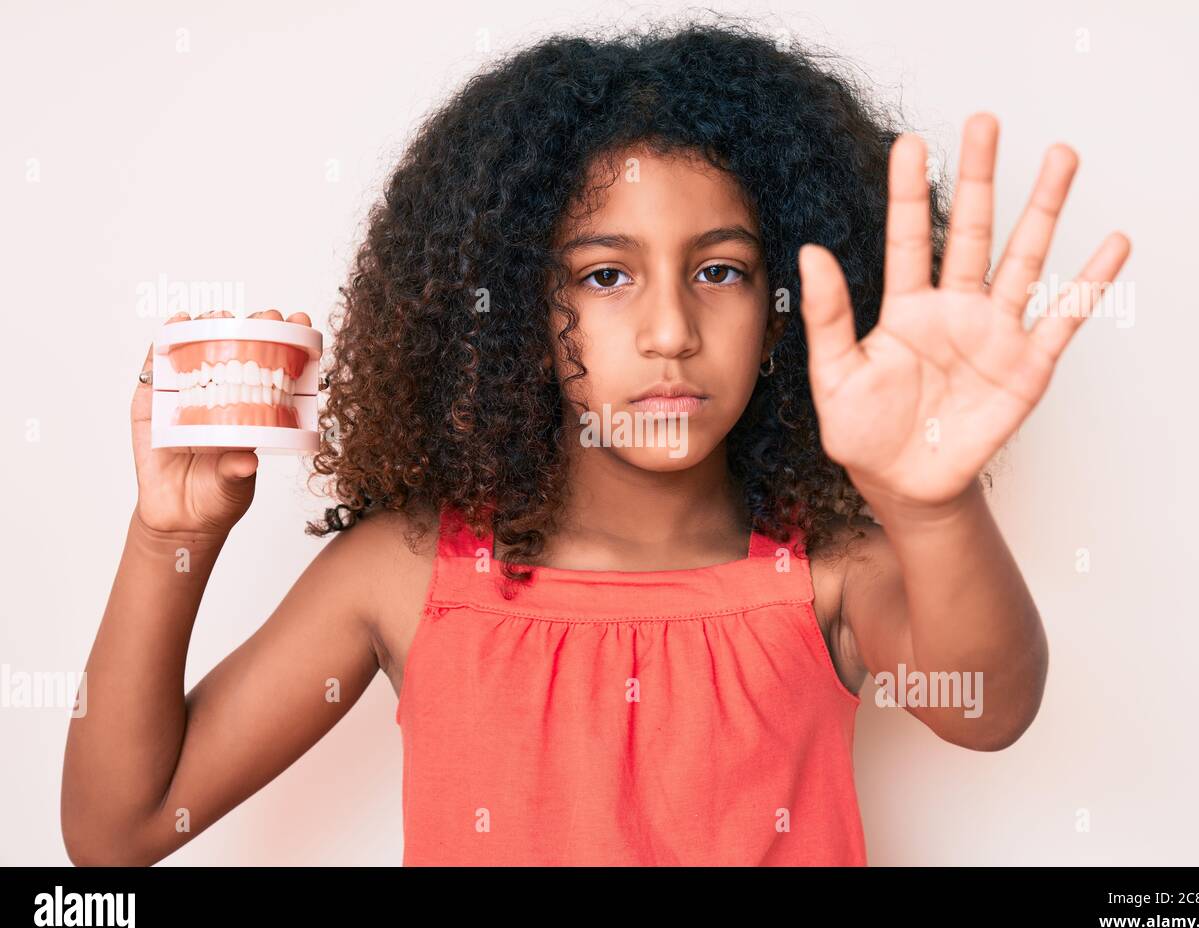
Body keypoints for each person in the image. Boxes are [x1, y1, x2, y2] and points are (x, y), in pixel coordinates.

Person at [62, 20, 1129, 866]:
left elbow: (989, 711)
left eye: (720, 269)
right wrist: (169, 538)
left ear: (784, 305)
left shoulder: (832, 571)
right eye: (604, 275)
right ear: (515, 308)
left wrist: (930, 504)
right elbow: (121, 828)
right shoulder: (404, 573)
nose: (670, 329)